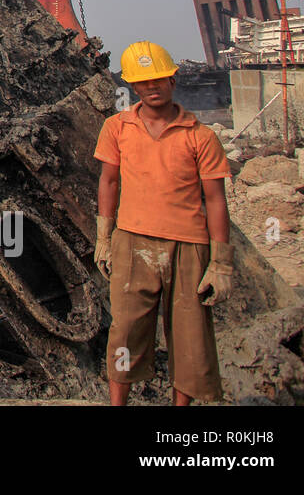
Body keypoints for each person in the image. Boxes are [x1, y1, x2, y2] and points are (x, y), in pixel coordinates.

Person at [94, 40, 233, 406]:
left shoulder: (200, 137)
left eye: (158, 80)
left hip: (188, 247)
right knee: (124, 332)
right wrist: (104, 238)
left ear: (173, 79)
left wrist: (220, 264)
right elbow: (108, 181)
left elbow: (216, 200)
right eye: (143, 82)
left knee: (190, 339)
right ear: (133, 86)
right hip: (131, 242)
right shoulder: (117, 127)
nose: (151, 88)